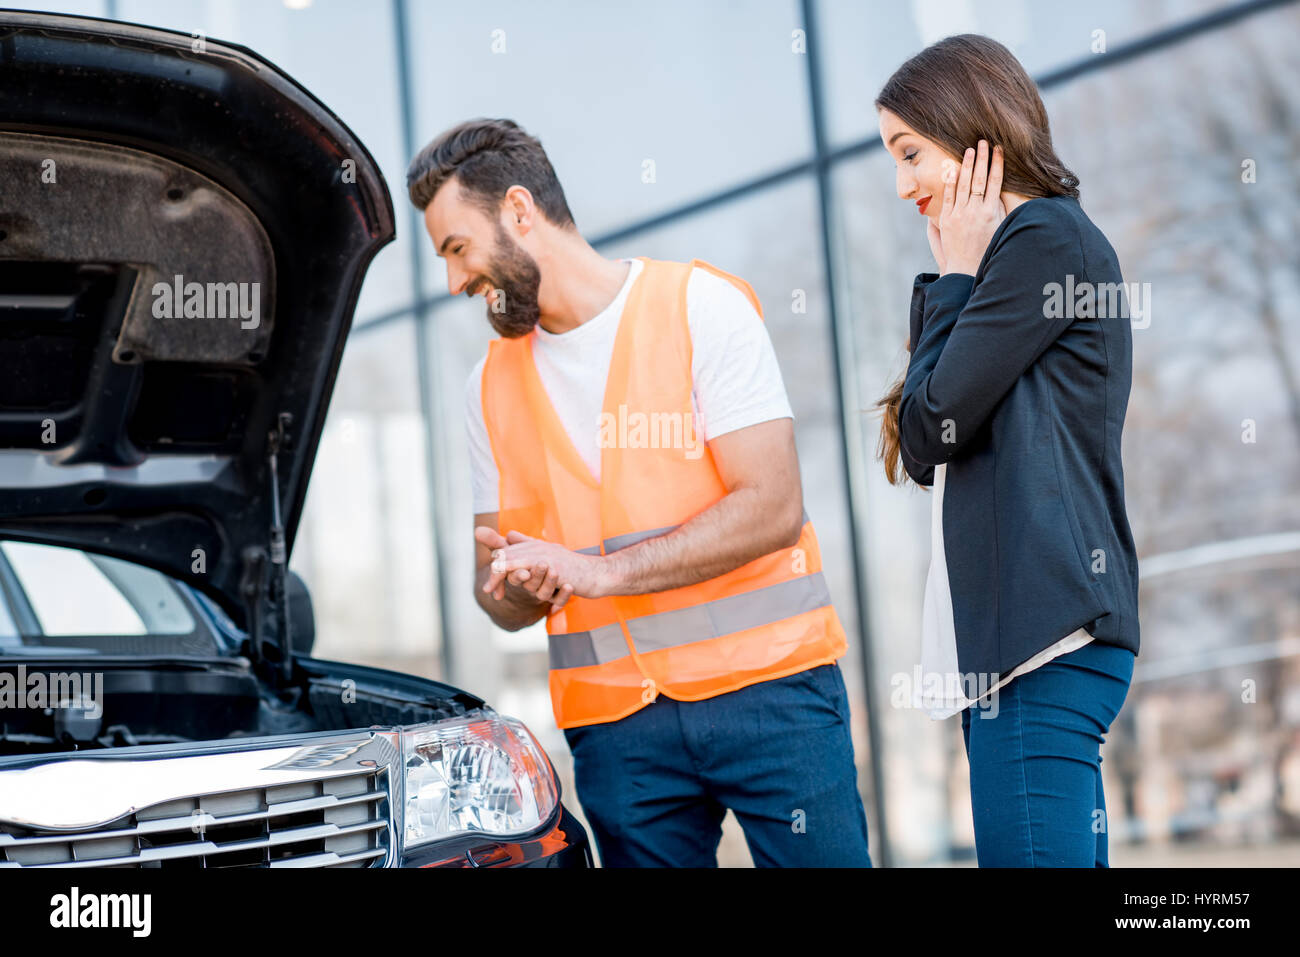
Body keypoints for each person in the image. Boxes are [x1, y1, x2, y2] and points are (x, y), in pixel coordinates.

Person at [406, 118, 871, 867]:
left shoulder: (699, 308)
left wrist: (603, 572)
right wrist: (521, 586)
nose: (455, 281)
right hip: (620, 735)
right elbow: (491, 589)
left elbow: (773, 506)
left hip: (773, 696)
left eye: (457, 248)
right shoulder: (486, 389)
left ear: (519, 212)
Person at [873, 34, 1140, 867]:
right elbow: (929, 430)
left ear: (972, 132)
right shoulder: (1028, 254)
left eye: (911, 151)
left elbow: (930, 428)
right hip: (1036, 654)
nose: (902, 183)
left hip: (1042, 650)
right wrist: (955, 278)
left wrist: (953, 277)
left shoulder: (1043, 243)